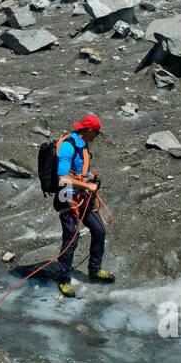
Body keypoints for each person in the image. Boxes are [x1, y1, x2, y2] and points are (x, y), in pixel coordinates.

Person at [52, 114, 113, 298]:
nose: (97, 136)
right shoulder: (68, 146)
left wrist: (88, 178)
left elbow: (78, 171)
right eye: (96, 133)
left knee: (99, 230)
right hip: (67, 197)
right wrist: (88, 185)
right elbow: (63, 178)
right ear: (87, 131)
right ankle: (63, 280)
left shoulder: (83, 144)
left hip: (82, 196)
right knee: (71, 239)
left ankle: (94, 269)